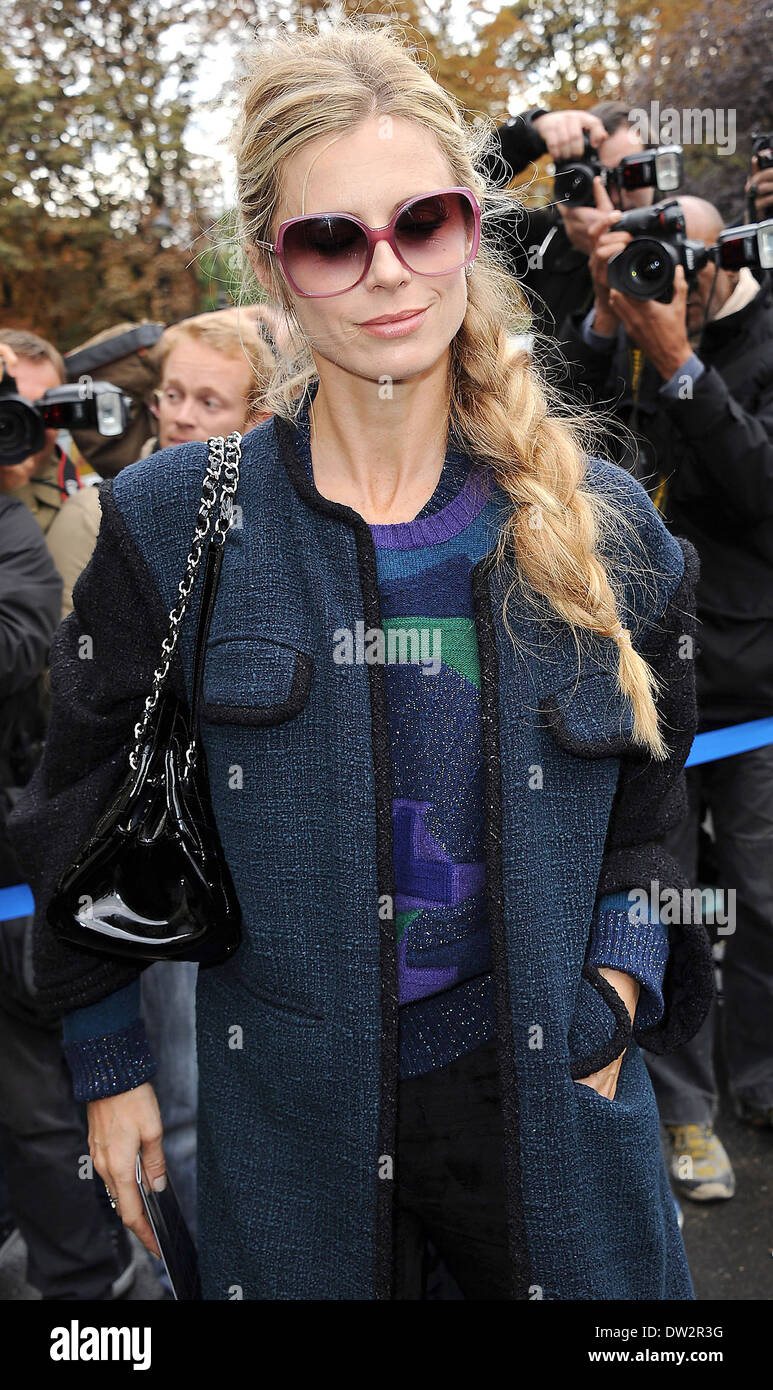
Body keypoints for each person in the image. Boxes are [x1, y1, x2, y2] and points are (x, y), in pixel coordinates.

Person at [8, 17, 714, 1301]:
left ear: (468, 234)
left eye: (423, 223)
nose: (387, 272)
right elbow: (77, 807)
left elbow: (656, 804)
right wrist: (108, 1064)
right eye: (333, 239)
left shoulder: (601, 520)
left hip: (549, 1117)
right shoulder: (173, 519)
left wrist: (615, 988)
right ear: (275, 271)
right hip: (292, 1137)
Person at [557, 194, 773, 1198]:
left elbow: (759, 491)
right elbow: (557, 427)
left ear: (720, 249)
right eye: (641, 248)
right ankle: (684, 1114)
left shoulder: (757, 340)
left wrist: (680, 363)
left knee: (762, 900)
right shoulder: (623, 332)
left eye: (671, 247)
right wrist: (609, 320)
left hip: (755, 685)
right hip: (646, 684)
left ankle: (757, 1080)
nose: (658, 265)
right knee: (661, 895)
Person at [46, 308, 278, 620]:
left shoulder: (279, 515)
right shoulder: (96, 515)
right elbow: (70, 657)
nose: (181, 417)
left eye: (209, 402)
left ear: (257, 420)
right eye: (172, 395)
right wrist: (173, 336)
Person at [480, 100, 660, 335]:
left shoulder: (682, 242)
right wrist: (527, 134)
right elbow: (456, 202)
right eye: (601, 177)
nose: (615, 194)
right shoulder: (544, 240)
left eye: (633, 174)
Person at [0, 330, 84, 530]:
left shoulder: (78, 506)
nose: (25, 421)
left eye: (41, 408)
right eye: (11, 406)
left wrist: (16, 487)